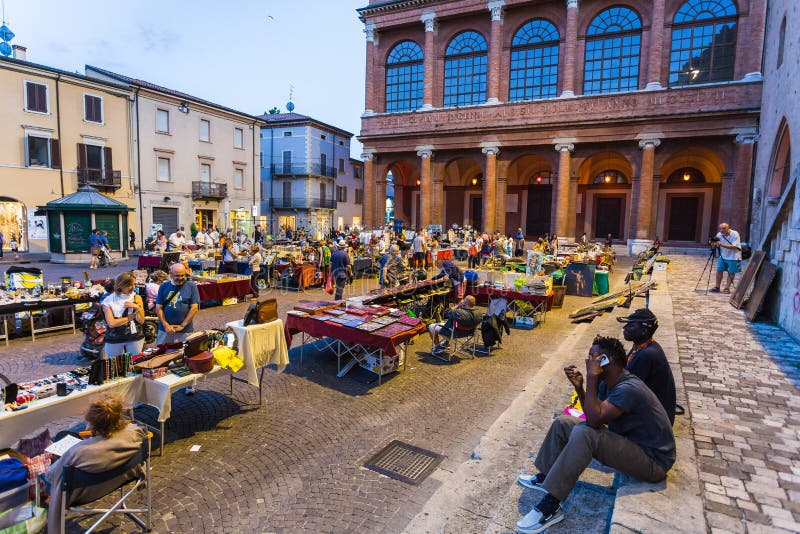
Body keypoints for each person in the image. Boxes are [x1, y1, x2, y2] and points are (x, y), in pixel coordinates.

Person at [516, 336, 675, 533]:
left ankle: (551, 506)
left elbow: (593, 422)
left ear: (606, 360)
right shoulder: (611, 383)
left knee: (585, 434)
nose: (589, 361)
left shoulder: (628, 389)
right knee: (563, 423)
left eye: (593, 358)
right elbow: (595, 414)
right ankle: (545, 476)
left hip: (653, 461)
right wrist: (580, 388)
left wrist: (592, 377)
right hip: (632, 445)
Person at [45, 394, 147, 534]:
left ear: (92, 422)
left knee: (62, 436)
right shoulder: (135, 433)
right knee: (64, 435)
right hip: (122, 476)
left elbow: (51, 475)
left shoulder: (78, 452)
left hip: (83, 493)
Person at [615, 309, 677, 425]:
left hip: (655, 423)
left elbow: (626, 388)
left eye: (631, 325)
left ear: (644, 331)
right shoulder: (643, 346)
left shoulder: (647, 355)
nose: (625, 328)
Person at [101, 273, 145, 357]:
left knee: (134, 362)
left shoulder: (137, 298)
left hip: (135, 337)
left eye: (134, 284)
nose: (133, 287)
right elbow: (112, 323)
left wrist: (136, 307)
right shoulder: (108, 301)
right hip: (114, 338)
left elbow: (141, 321)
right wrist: (129, 318)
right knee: (115, 363)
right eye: (129, 285)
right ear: (120, 285)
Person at [155, 263, 200, 344]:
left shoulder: (192, 286)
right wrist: (166, 325)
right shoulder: (163, 286)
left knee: (184, 351)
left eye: (183, 275)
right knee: (163, 350)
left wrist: (182, 325)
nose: (180, 278)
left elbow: (194, 308)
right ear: (170, 274)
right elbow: (158, 308)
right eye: (177, 276)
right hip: (165, 330)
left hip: (185, 330)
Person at [711, 222, 741, 293]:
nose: (721, 230)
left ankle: (726, 288)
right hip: (723, 256)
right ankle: (717, 287)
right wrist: (713, 243)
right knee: (719, 270)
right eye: (720, 228)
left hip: (734, 256)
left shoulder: (735, 234)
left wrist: (721, 245)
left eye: (724, 228)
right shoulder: (719, 234)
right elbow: (714, 244)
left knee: (731, 272)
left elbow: (734, 247)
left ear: (728, 228)